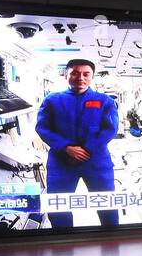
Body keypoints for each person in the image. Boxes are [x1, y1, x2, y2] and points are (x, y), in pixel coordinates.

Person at [35, 59, 120, 228]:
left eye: (86, 74)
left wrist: (85, 150)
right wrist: (66, 148)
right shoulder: (52, 100)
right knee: (58, 206)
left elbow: (110, 129)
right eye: (74, 73)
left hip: (96, 161)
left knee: (106, 204)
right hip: (62, 162)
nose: (80, 77)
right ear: (66, 74)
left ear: (92, 76)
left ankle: (112, 238)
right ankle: (63, 242)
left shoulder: (104, 101)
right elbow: (42, 128)